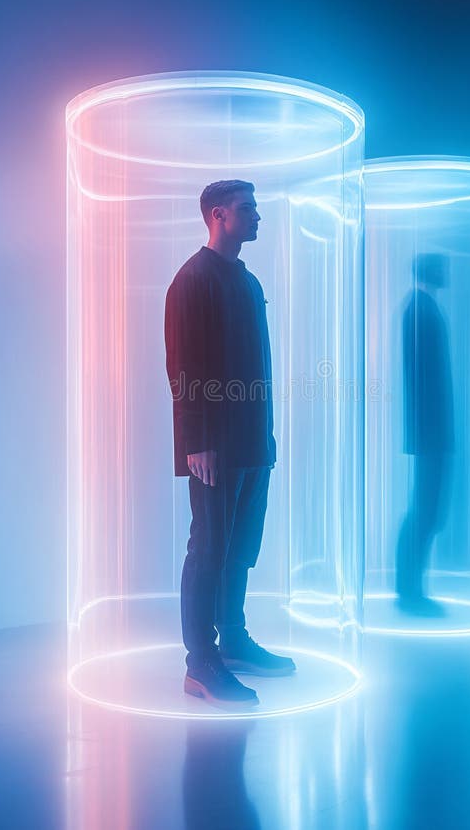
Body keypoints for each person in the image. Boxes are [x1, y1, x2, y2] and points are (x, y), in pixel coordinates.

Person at [164, 179, 296, 708]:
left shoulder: (246, 279)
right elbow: (183, 366)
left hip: (250, 441)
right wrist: (197, 442)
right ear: (218, 215)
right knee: (210, 548)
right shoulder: (193, 280)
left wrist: (265, 437)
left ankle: (234, 640)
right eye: (248, 209)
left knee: (240, 546)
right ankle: (201, 662)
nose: (258, 216)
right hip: (215, 446)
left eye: (256, 207)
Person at [395, 252, 455, 616]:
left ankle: (412, 589)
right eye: (441, 267)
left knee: (427, 509)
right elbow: (422, 378)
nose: (447, 273)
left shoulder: (422, 308)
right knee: (425, 510)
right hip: (430, 430)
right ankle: (410, 592)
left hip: (431, 429)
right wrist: (427, 432)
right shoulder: (420, 310)